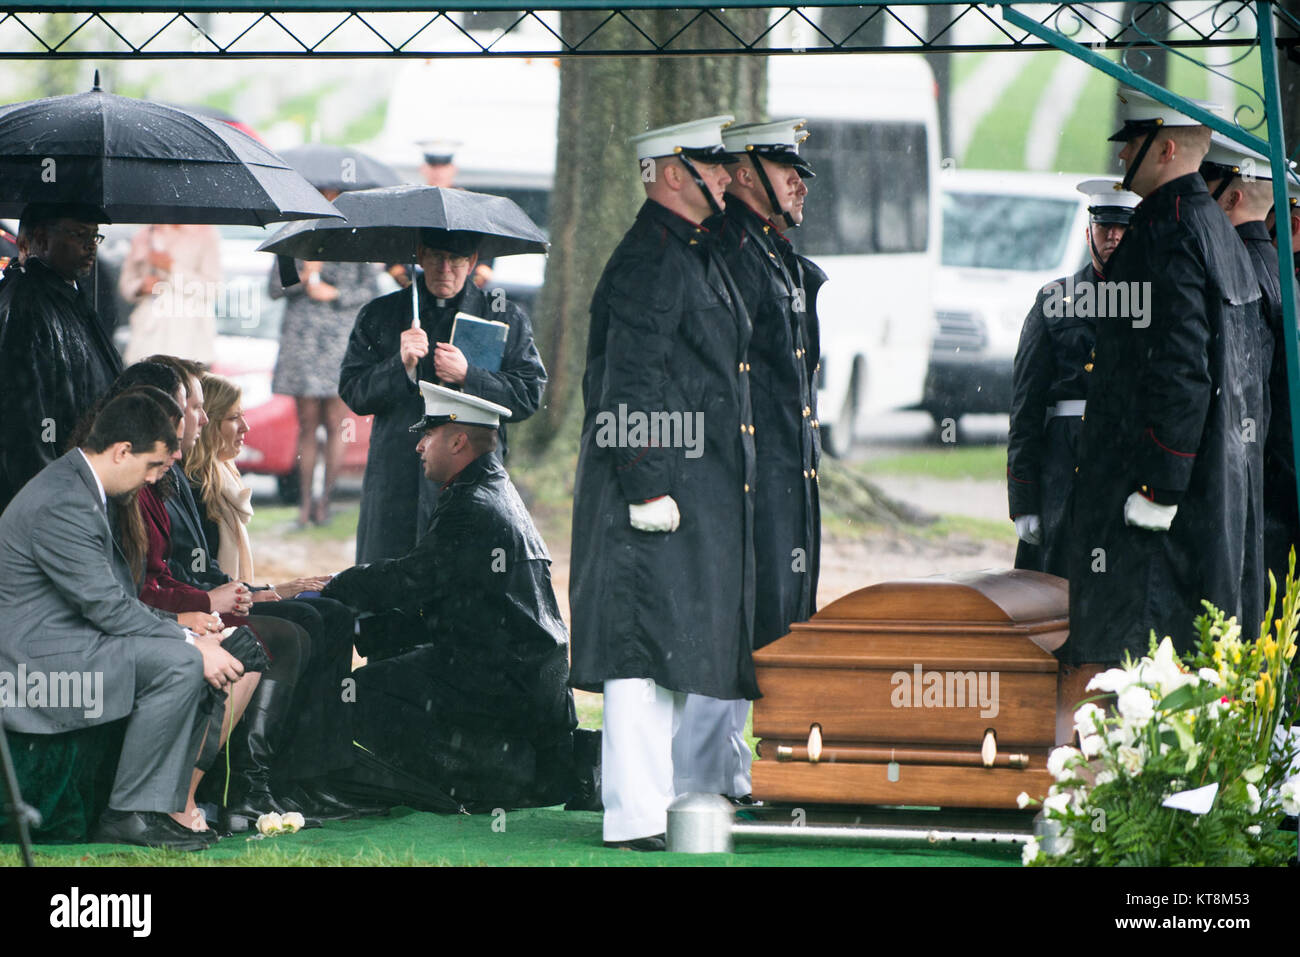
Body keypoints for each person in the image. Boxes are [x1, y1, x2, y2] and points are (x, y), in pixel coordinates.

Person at [569, 115, 757, 851]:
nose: (724, 177)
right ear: (672, 172)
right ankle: (635, 811)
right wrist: (646, 485)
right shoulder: (652, 258)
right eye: (710, 166)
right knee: (640, 651)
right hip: (649, 491)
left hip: (681, 486)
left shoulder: (688, 251)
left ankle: (655, 804)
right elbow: (629, 386)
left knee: (668, 645)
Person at [1067, 89, 1265, 721]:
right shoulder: (1215, 229)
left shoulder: (1170, 229)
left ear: (1167, 147)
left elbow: (1183, 370)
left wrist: (1159, 485)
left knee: (1148, 677)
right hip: (1209, 495)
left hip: (1160, 507)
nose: (1124, 152)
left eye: (1134, 141)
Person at [0, 390, 245, 851]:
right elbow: (108, 607)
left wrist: (184, 630)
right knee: (180, 663)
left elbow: (111, 601)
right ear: (121, 451)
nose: (154, 480)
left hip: (65, 642)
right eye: (152, 467)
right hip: (32, 668)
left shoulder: (75, 485)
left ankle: (147, 808)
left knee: (183, 654)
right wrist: (189, 643)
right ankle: (130, 814)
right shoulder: (64, 501)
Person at [321, 382, 577, 811]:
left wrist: (337, 586)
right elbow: (452, 600)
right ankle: (494, 773)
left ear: (458, 440)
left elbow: (410, 580)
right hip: (521, 681)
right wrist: (369, 627)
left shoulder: (472, 503)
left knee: (352, 694)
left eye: (428, 435)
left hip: (501, 685)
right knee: (388, 669)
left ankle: (471, 785)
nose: (419, 446)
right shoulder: (493, 489)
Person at [182, 370, 377, 821]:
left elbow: (219, 574)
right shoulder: (192, 483)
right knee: (300, 626)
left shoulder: (221, 477)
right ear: (208, 423)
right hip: (201, 612)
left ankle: (315, 774)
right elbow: (200, 578)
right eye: (234, 419)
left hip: (230, 599)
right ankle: (252, 780)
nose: (246, 429)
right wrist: (267, 594)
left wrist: (268, 591)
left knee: (331, 612)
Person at [698, 118, 824, 804]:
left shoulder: (771, 250)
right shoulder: (729, 249)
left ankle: (746, 766)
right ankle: (713, 774)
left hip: (785, 470)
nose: (800, 184)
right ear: (745, 173)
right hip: (750, 473)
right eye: (786, 170)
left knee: (779, 618)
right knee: (742, 623)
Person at [339, 228, 546, 563]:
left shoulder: (503, 315)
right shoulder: (381, 314)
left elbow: (528, 395)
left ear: (473, 261)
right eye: (436, 257)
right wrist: (400, 365)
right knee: (389, 585)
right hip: (397, 476)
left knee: (462, 584)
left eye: (456, 259)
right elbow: (354, 392)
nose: (444, 269)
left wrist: (470, 376)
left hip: (470, 477)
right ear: (420, 256)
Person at [1007, 178, 1139, 579]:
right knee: (1054, 588)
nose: (1113, 236)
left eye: (1123, 227)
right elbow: (1026, 406)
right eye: (1104, 227)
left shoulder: (1159, 300)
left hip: (1127, 464)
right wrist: (1024, 498)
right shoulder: (1053, 301)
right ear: (1088, 233)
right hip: (1064, 466)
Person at [1201, 136, 1300, 619]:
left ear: (1233, 195)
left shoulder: (1242, 275)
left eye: (1208, 186)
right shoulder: (1286, 277)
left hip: (1259, 491)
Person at [268, 189, 382, 527]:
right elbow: (275, 288)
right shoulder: (293, 238)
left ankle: (325, 503)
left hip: (338, 343)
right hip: (302, 342)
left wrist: (337, 293)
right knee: (307, 425)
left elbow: (370, 292)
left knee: (335, 423)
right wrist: (304, 277)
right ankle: (304, 505)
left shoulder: (355, 241)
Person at [0, 203, 123, 513]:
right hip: (55, 498)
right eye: (78, 234)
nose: (89, 245)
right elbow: (23, 424)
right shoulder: (27, 305)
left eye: (94, 236)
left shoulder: (68, 297)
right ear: (36, 240)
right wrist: (53, 505)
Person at [118, 223, 222, 365]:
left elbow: (213, 288)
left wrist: (171, 267)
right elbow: (126, 285)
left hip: (190, 339)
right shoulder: (144, 234)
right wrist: (141, 286)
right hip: (148, 337)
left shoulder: (205, 234)